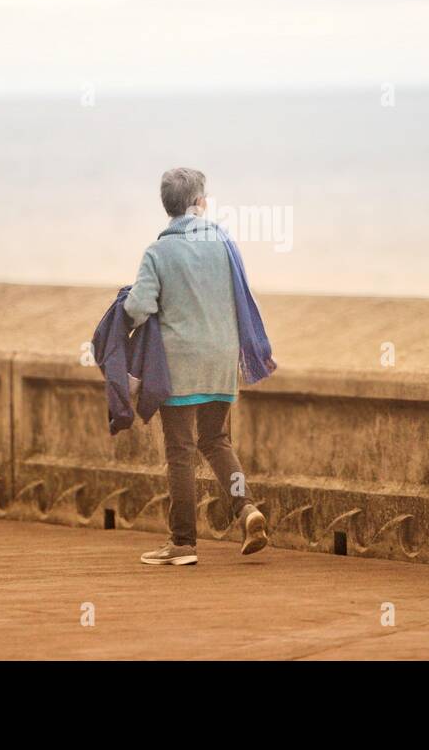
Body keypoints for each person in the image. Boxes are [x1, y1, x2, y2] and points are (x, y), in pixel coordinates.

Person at [124, 167, 269, 565]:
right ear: (200, 203)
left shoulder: (158, 252)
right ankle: (246, 509)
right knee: (216, 440)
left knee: (181, 451)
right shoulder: (222, 245)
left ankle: (183, 543)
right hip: (221, 359)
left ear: (167, 205)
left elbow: (139, 309)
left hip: (179, 365)